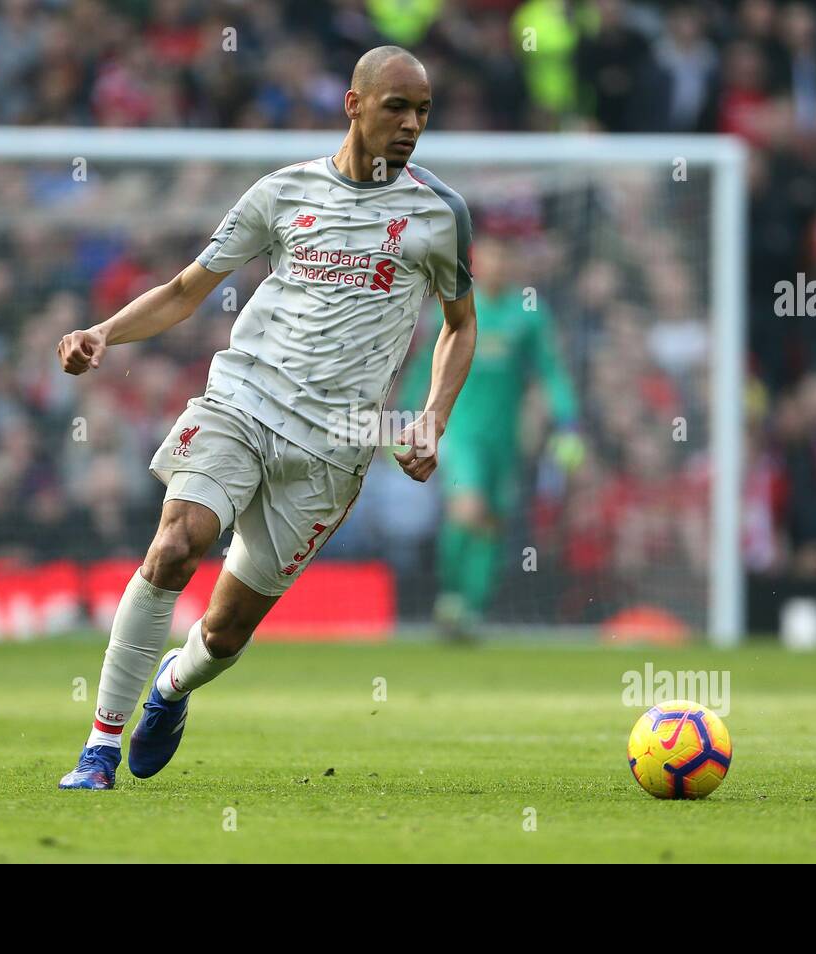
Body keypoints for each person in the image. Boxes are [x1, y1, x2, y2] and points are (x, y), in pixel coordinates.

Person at [54, 46, 476, 789]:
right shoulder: (283, 194)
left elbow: (460, 324)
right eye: (396, 108)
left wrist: (433, 415)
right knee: (176, 546)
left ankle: (172, 689)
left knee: (223, 629)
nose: (412, 125)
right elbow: (188, 289)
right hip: (242, 402)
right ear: (353, 105)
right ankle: (98, 749)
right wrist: (104, 333)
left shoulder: (438, 216)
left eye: (423, 112)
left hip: (336, 447)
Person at [399, 235, 581, 638]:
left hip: (506, 438)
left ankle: (470, 610)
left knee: (492, 523)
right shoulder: (457, 304)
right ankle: (450, 597)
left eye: (505, 256)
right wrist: (408, 419)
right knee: (467, 508)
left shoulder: (529, 315)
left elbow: (551, 372)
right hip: (460, 432)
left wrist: (567, 424)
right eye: (491, 255)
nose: (497, 264)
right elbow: (424, 368)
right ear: (476, 259)